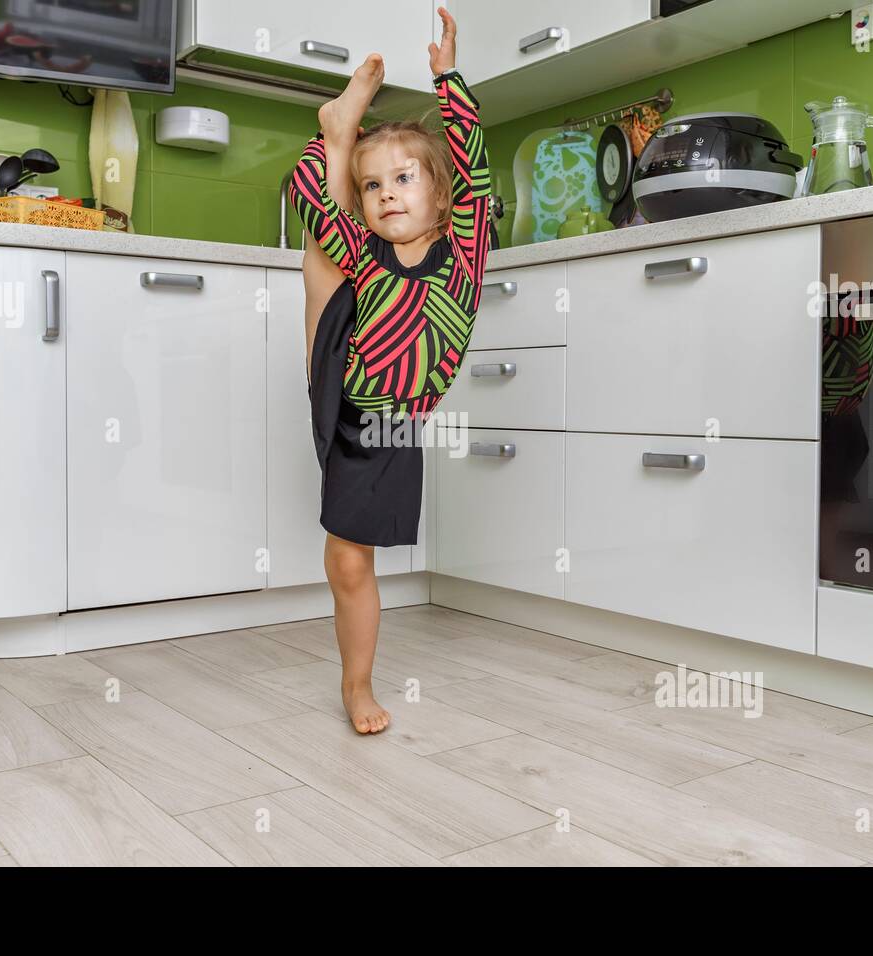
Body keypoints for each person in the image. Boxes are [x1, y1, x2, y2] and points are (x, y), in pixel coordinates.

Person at [288, 6, 490, 734]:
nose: (388, 194)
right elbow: (309, 197)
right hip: (344, 387)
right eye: (373, 187)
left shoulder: (465, 246)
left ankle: (342, 130)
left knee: (351, 560)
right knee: (321, 260)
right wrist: (330, 148)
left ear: (440, 194)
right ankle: (339, 126)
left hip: (391, 421)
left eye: (404, 178)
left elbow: (475, 165)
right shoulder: (367, 251)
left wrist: (448, 79)